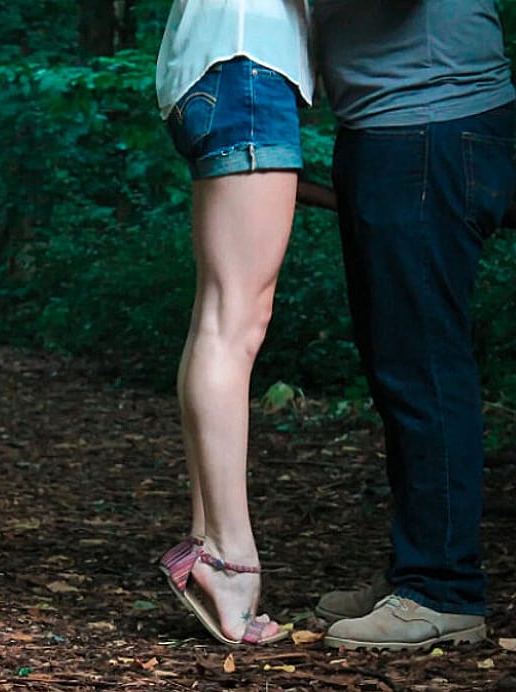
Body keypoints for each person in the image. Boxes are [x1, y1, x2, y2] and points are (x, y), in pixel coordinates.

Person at [311, 0, 516, 650]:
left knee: (423, 364)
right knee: (398, 365)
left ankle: (442, 589)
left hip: (428, 123)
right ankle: (418, 569)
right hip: (397, 126)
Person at [154, 0, 314, 646]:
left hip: (215, 67)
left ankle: (207, 541)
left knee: (218, 317)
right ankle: (227, 557)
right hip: (248, 65)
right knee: (235, 322)